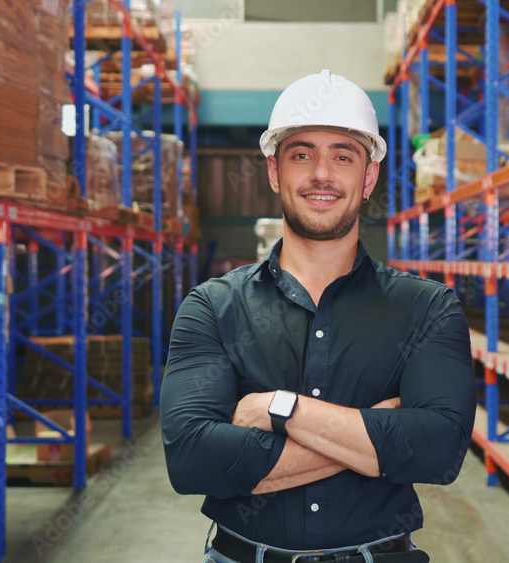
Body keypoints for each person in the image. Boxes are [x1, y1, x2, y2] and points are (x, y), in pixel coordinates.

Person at [161, 69, 476, 563]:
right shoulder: (212, 306)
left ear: (368, 177)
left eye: (343, 156)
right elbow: (192, 461)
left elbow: (440, 452)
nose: (321, 175)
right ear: (274, 172)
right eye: (302, 154)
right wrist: (373, 437)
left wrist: (279, 410)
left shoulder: (428, 308)